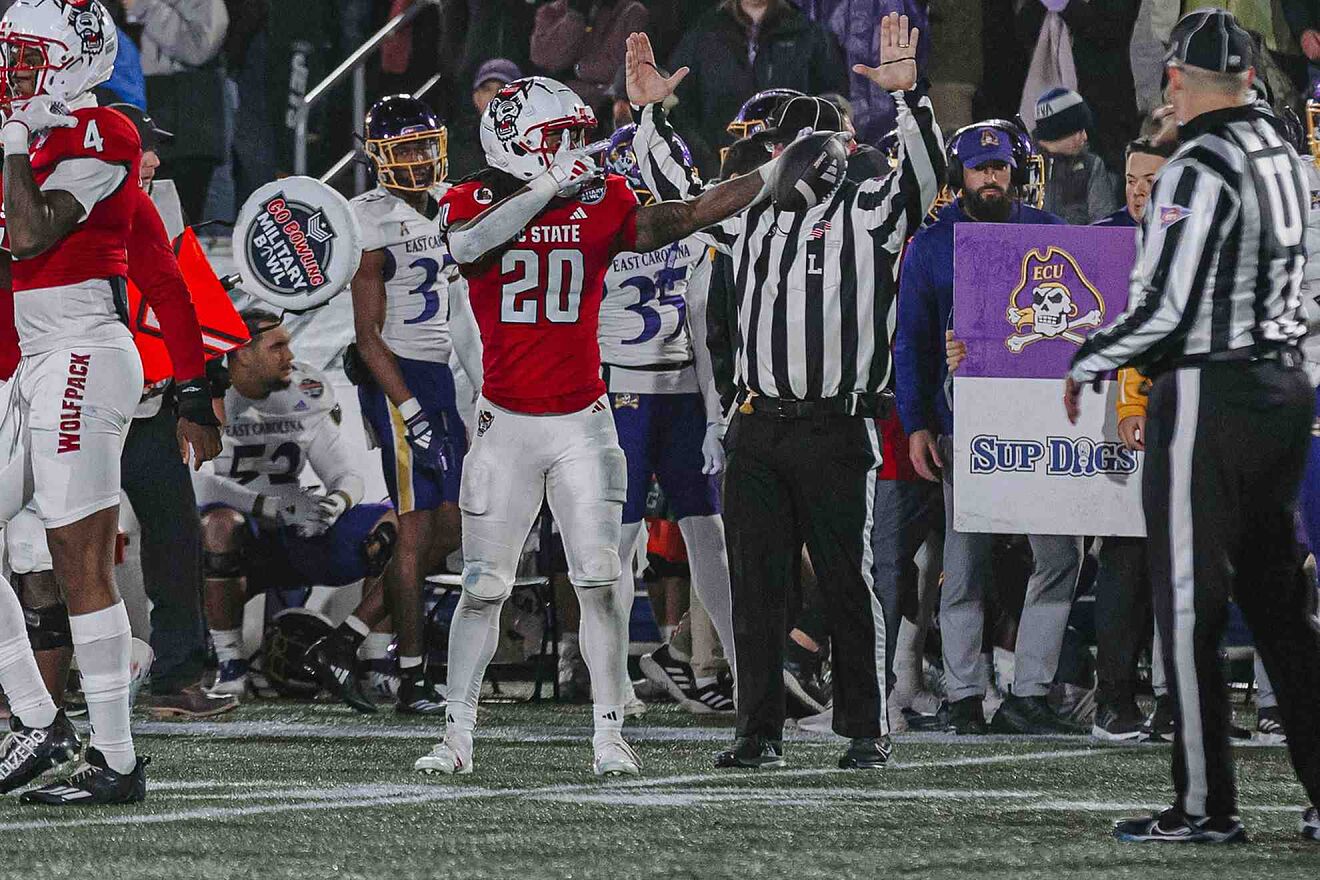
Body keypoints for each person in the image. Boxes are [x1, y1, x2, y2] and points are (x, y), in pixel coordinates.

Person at [413, 69, 781, 779]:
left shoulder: (603, 200)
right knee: (484, 585)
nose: (575, 149)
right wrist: (549, 186)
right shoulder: (470, 199)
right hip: (507, 424)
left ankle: (609, 732)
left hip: (583, 421)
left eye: (576, 137)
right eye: (560, 137)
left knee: (602, 578)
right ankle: (456, 733)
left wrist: (776, 169)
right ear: (519, 140)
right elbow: (467, 247)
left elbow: (687, 215)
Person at [630, 14, 943, 770]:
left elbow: (927, 177)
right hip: (758, 426)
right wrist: (647, 113)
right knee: (755, 587)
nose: (754, 162)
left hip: (838, 426)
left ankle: (865, 728)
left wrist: (913, 99)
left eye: (765, 148)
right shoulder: (751, 220)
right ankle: (757, 727)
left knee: (845, 582)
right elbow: (674, 196)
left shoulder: (871, 215)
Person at [1064, 9, 1320, 844]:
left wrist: (1093, 354)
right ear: (1249, 75)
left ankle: (1205, 805)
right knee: (1281, 605)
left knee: (1188, 602)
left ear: (1175, 80)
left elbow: (1167, 307)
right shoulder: (1287, 156)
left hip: (1212, 390)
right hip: (1285, 387)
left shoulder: (1195, 163)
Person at [0, 0, 214, 805]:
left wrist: (18, 138)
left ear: (71, 60)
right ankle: (36, 716)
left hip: (84, 352)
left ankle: (116, 760)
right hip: (33, 359)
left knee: (78, 558)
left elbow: (28, 235)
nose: (10, 70)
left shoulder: (103, 134)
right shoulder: (33, 134)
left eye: (24, 55)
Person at [896, 121, 1084, 736]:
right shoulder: (930, 245)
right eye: (979, 169)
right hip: (965, 427)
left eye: (998, 167)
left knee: (1059, 554)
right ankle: (963, 695)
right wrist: (917, 423)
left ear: (1015, 169)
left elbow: (1092, 314)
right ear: (961, 174)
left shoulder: (1053, 235)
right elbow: (913, 344)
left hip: (1044, 428)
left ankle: (1028, 692)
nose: (990, 179)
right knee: (964, 562)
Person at [198, 310, 409, 715]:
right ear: (240, 354)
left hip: (295, 527)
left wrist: (333, 505)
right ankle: (230, 663)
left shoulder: (303, 389)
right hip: (233, 537)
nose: (290, 356)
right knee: (221, 526)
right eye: (277, 346)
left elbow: (345, 473)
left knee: (397, 524)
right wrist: (265, 506)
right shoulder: (209, 392)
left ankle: (375, 659)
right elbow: (198, 483)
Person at [349, 94, 482, 715]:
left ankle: (349, 636)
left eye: (428, 147)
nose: (423, 161)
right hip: (398, 376)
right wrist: (407, 409)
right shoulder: (368, 221)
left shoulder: (452, 206)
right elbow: (367, 336)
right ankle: (410, 673)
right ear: (378, 158)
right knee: (415, 530)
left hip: (438, 375)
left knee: (452, 525)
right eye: (407, 151)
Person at [597, 124, 734, 714]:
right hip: (619, 394)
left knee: (709, 539)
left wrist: (712, 416)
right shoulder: (605, 234)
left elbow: (704, 332)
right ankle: (612, 680)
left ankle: (742, 667)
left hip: (675, 396)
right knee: (619, 547)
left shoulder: (691, 236)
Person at [1086, 136, 1171, 742]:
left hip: (1195, 410)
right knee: (1124, 556)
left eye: (1152, 179)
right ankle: (1114, 697)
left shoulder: (1188, 234)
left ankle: (1175, 700)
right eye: (1132, 178)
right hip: (1127, 420)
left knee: (1186, 567)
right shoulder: (1103, 240)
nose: (1139, 190)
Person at [666, 0, 847, 176]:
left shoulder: (810, 35)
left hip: (791, 175)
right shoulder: (702, 36)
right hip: (717, 176)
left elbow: (831, 106)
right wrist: (709, 164)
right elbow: (682, 112)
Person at [1032, 87, 1121, 225]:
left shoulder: (1091, 166)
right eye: (1079, 130)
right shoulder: (1023, 166)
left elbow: (1103, 225)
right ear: (1059, 131)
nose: (1085, 137)